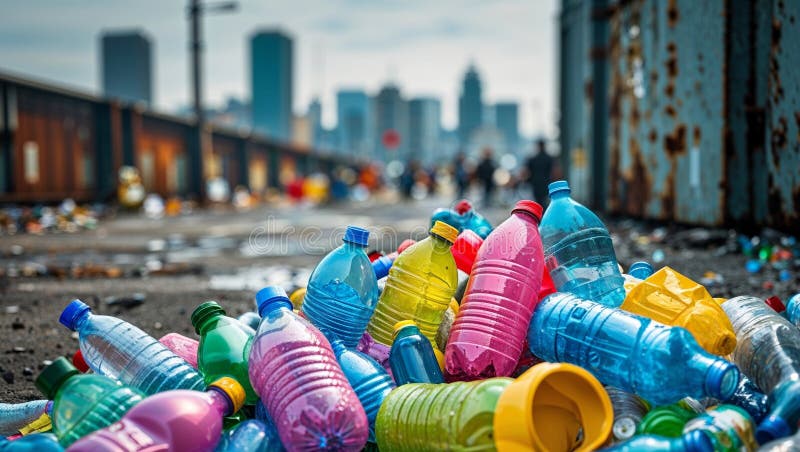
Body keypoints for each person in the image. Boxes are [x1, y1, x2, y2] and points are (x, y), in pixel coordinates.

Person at [525, 139, 554, 207]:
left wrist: (528, 181)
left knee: (538, 202)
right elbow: (553, 172)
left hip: (535, 184)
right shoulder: (549, 158)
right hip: (546, 184)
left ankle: (539, 214)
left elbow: (527, 172)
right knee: (545, 202)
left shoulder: (532, 159)